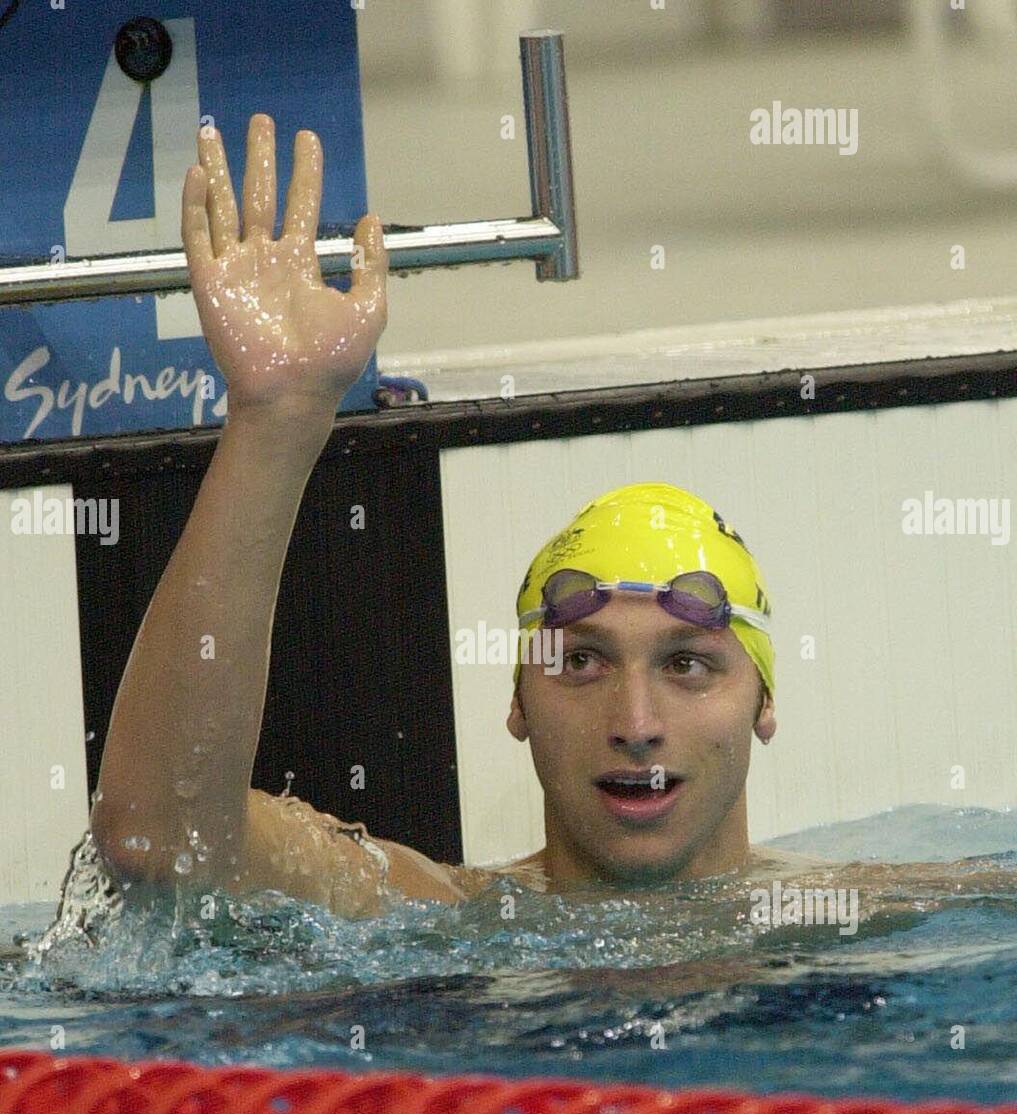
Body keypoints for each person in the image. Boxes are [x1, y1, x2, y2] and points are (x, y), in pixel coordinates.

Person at [90, 113, 1012, 932]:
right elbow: (155, 841)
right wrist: (276, 420)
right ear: (517, 705)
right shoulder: (439, 916)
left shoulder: (894, 915)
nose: (636, 722)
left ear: (764, 701)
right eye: (580, 662)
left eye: (687, 665)